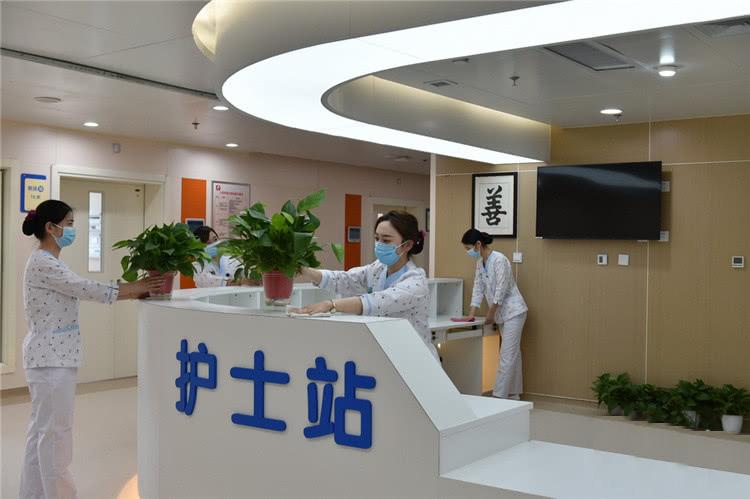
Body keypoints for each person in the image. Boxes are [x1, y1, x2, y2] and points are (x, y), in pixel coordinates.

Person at [19, 199, 164, 499]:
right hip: (51, 361)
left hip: (51, 357)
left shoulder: (49, 260)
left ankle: (33, 495)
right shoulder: (44, 263)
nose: (73, 230)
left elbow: (79, 287)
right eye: (69, 224)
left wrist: (133, 290)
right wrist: (136, 287)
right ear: (51, 228)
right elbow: (84, 287)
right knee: (55, 438)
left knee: (42, 435)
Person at [292, 211, 437, 359]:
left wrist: (331, 305)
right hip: (386, 352)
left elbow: (376, 302)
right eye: (377, 238)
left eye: (386, 240)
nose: (379, 245)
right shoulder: (378, 268)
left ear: (407, 245)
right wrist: (305, 270)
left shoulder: (415, 282)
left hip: (414, 356)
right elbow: (346, 279)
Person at [458, 229, 528, 400]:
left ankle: (498, 397)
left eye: (468, 248)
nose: (468, 252)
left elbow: (500, 290)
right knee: (513, 354)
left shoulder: (499, 260)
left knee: (506, 356)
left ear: (478, 244)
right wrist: (471, 314)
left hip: (514, 312)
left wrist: (490, 315)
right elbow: (478, 288)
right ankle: (513, 394)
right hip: (501, 314)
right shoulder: (480, 263)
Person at [191, 225, 257, 287]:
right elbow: (211, 281)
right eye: (208, 243)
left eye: (215, 239)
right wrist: (240, 282)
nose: (214, 244)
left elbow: (245, 273)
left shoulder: (230, 260)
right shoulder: (197, 266)